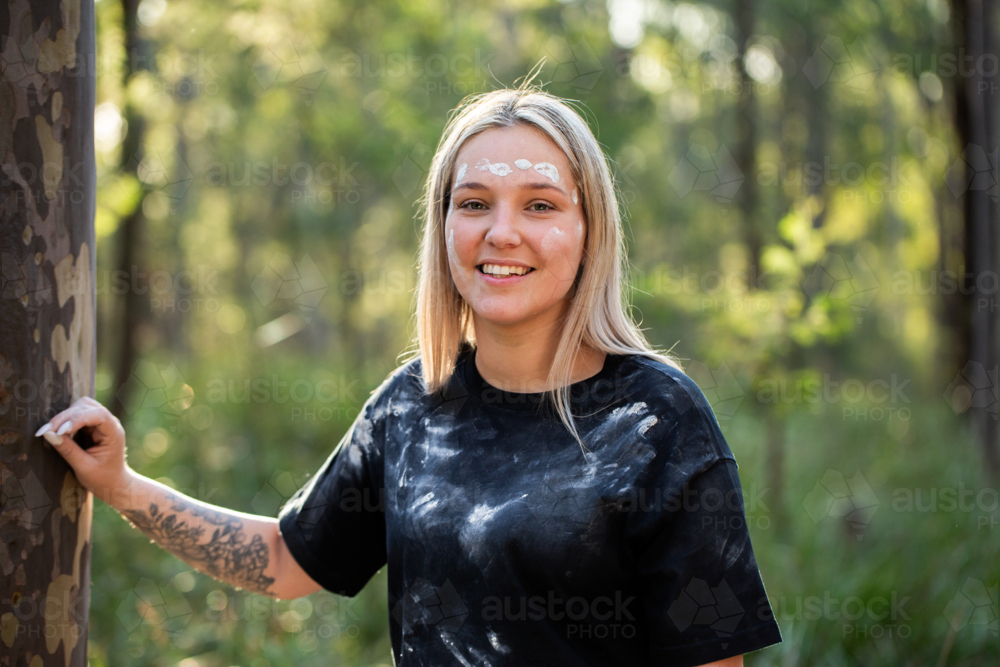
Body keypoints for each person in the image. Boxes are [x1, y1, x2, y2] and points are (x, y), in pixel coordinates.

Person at [36, 80, 782, 666]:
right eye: (475, 202)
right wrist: (124, 487)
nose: (502, 231)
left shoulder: (657, 420)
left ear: (590, 232)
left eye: (541, 204)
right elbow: (285, 558)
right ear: (444, 226)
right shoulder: (412, 407)